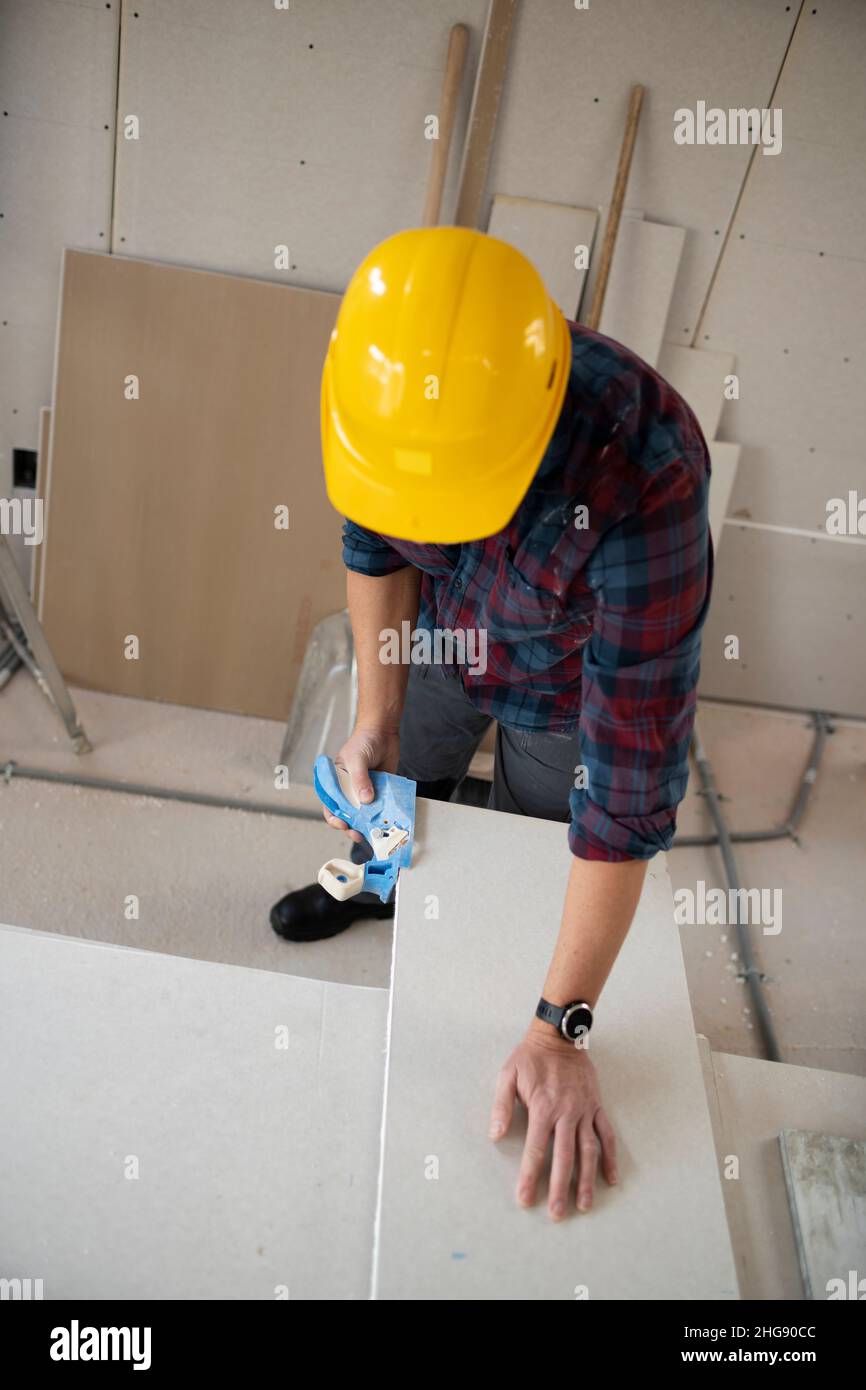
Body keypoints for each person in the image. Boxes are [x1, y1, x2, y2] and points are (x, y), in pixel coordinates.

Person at [271, 227, 713, 1221]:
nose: (421, 530)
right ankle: (374, 888)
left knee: (523, 853)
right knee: (398, 784)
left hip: (569, 689)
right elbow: (370, 547)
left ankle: (527, 1009)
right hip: (439, 642)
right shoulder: (382, 380)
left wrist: (564, 1027)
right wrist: (373, 712)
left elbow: (627, 798)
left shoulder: (647, 473)